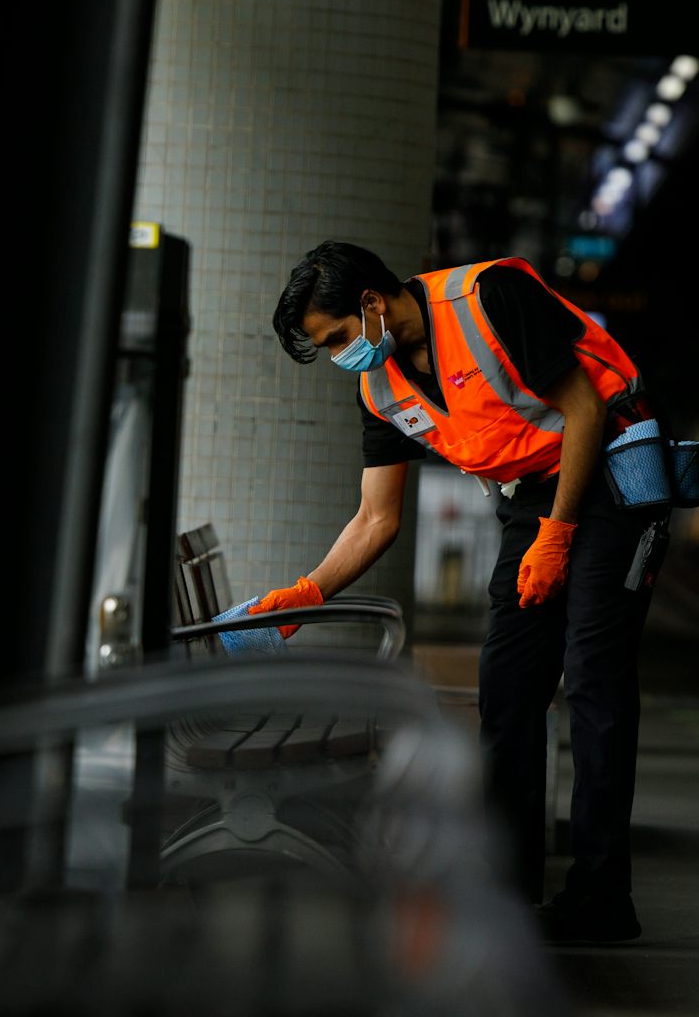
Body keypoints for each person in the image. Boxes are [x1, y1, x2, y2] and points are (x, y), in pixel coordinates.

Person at [259, 241, 667, 943]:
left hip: (609, 476)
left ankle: (602, 897)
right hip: (528, 500)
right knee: (508, 687)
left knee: (594, 679)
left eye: (337, 338)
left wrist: (560, 531)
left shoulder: (489, 298)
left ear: (371, 303)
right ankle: (508, 895)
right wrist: (307, 594)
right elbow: (376, 518)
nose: (337, 356)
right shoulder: (380, 387)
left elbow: (583, 410)